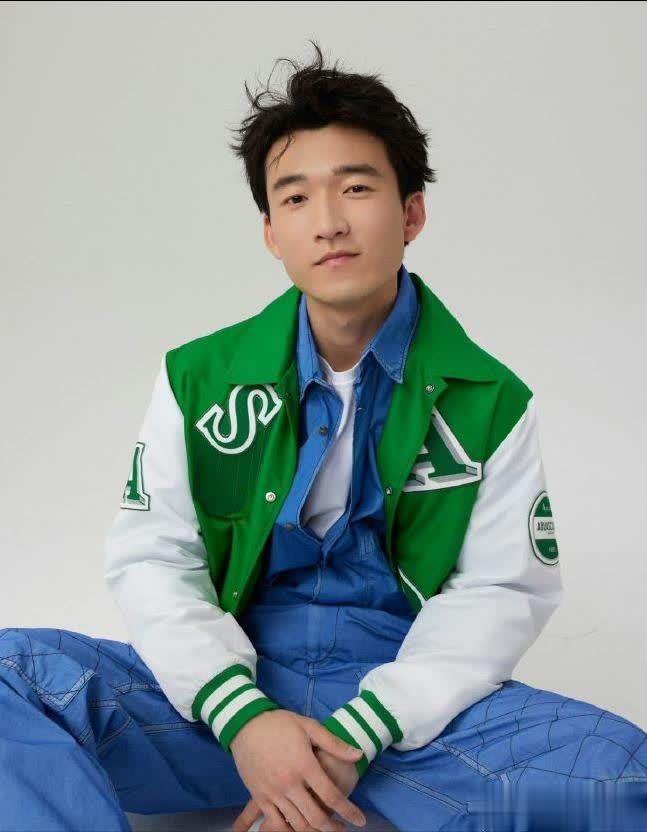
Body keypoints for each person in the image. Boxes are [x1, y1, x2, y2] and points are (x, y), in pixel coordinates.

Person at [1, 40, 645, 832]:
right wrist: (245, 720)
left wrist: (357, 735)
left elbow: (499, 592)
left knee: (624, 776)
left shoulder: (488, 398)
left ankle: (341, 787)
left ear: (410, 213)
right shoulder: (199, 379)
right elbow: (153, 558)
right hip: (227, 700)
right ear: (271, 232)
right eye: (297, 198)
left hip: (408, 719)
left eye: (357, 187)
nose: (329, 223)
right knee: (9, 674)